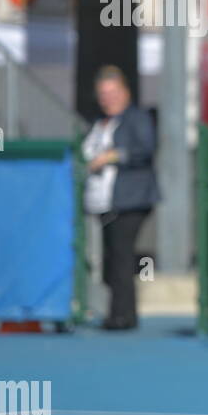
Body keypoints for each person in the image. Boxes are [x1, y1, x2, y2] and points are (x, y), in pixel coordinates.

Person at [82, 65, 160, 330]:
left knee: (121, 256)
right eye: (103, 94)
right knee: (111, 258)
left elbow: (146, 149)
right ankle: (122, 312)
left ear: (125, 92)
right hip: (104, 201)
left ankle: (122, 316)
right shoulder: (98, 122)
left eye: (113, 92)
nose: (108, 98)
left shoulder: (136, 118)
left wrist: (111, 156)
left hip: (130, 200)